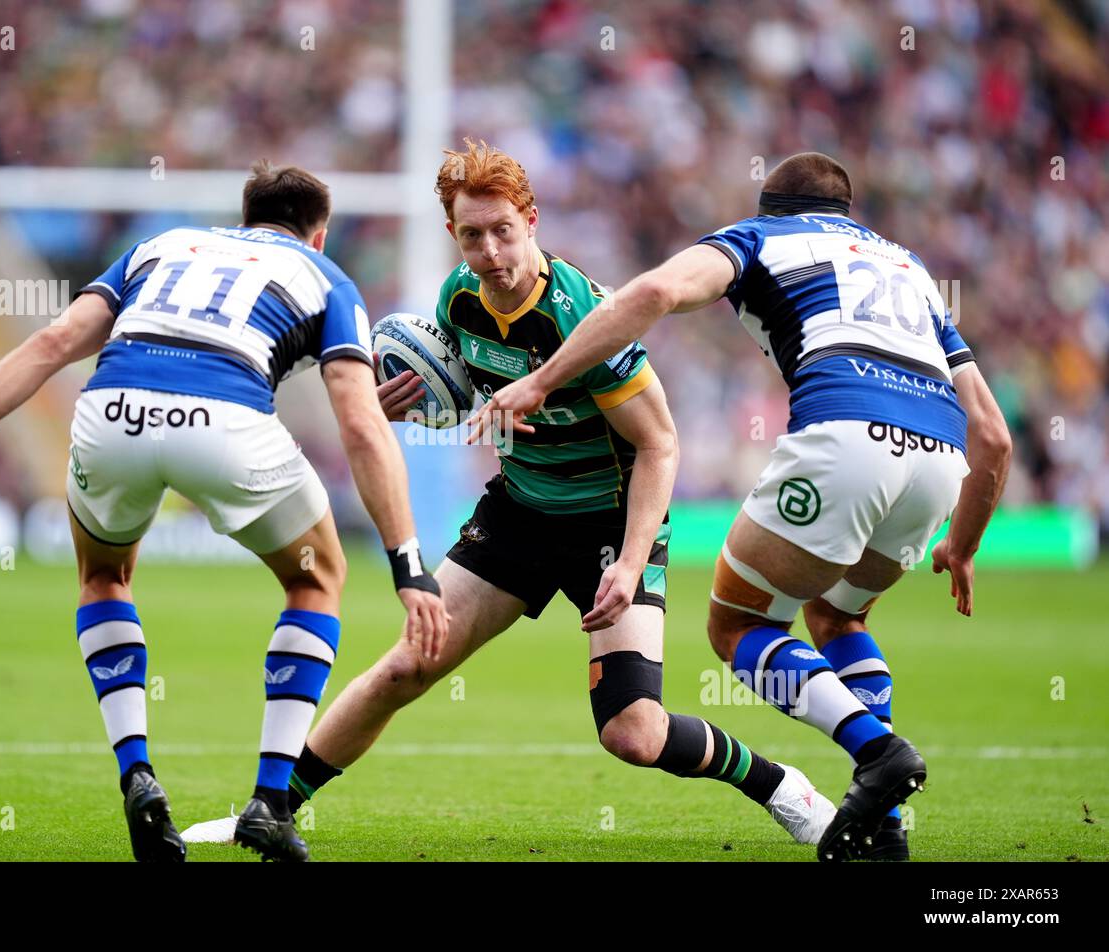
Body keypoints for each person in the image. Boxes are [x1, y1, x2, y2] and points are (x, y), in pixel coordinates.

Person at [0, 161, 447, 863]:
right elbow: (359, 421)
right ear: (316, 236)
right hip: (226, 423)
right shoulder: (327, 278)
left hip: (112, 411)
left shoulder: (161, 248)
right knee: (315, 578)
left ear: (243, 217)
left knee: (104, 577)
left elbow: (52, 344)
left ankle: (137, 771)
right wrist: (409, 564)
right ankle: (269, 801)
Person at [284, 141, 836, 850]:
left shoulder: (585, 318)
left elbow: (659, 446)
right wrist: (407, 405)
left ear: (532, 221)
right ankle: (272, 809)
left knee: (634, 734)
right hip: (518, 513)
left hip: (611, 526)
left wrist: (631, 564)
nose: (489, 251)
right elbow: (466, 394)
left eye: (502, 231)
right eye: (471, 235)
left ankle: (781, 785)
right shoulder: (458, 298)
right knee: (405, 667)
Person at [471, 152, 1012, 861]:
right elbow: (995, 437)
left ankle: (878, 752)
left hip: (845, 436)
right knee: (838, 614)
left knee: (737, 623)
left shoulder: (760, 239)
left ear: (769, 206)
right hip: (940, 462)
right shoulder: (909, 270)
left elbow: (656, 292)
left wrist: (542, 379)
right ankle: (884, 823)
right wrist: (964, 543)